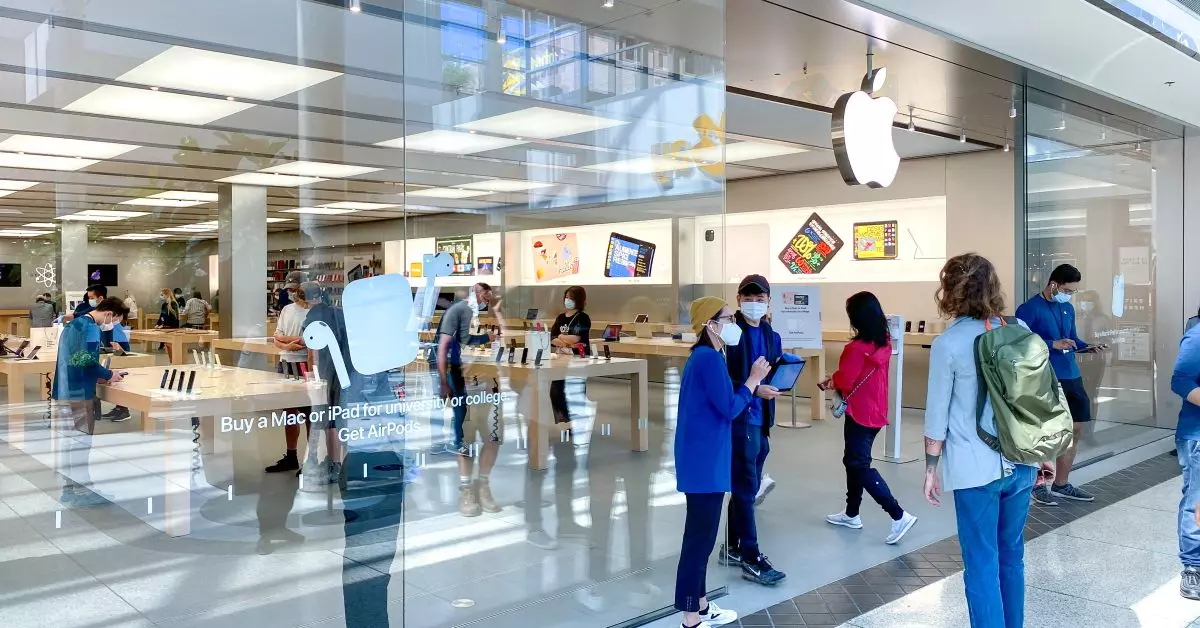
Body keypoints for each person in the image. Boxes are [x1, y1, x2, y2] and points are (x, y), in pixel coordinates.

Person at [923, 253, 1037, 628]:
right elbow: (1038, 398)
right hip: (1022, 462)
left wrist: (930, 468)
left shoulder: (949, 343)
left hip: (976, 469)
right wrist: (1044, 453)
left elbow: (937, 416)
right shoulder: (1019, 329)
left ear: (949, 290)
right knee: (1011, 556)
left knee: (982, 562)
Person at [673, 296, 770, 628]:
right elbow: (730, 407)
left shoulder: (706, 358)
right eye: (728, 318)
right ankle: (690, 618)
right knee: (698, 543)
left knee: (701, 538)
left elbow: (723, 400)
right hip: (704, 464)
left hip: (703, 459)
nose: (733, 323)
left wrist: (752, 388)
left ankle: (700, 606)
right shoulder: (708, 360)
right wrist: (753, 379)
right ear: (709, 324)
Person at [822, 292, 918, 543]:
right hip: (876, 411)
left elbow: (845, 380)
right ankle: (852, 513)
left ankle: (898, 515)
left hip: (858, 413)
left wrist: (832, 380)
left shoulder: (855, 349)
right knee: (853, 460)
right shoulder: (883, 343)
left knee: (858, 464)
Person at [1015, 264, 1108, 505]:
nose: (1070, 295)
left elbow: (1072, 339)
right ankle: (1039, 484)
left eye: (1074, 292)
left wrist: (1087, 346)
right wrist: (1051, 344)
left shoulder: (1067, 307)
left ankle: (1061, 483)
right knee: (1045, 432)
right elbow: (1019, 344)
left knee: (1075, 429)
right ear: (1053, 284)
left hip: (1070, 374)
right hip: (1044, 376)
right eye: (1067, 289)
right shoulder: (1028, 309)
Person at [719, 274, 786, 586]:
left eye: (760, 299)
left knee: (747, 486)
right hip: (741, 419)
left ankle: (732, 547)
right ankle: (750, 557)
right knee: (746, 489)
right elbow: (720, 381)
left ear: (768, 301)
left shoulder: (772, 335)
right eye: (749, 298)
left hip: (762, 422)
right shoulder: (731, 333)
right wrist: (752, 388)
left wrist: (780, 382)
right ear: (738, 299)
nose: (755, 304)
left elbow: (773, 370)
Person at [51, 297, 128, 507]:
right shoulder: (92, 328)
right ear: (110, 314)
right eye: (116, 320)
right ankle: (82, 491)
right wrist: (108, 373)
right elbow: (85, 360)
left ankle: (70, 489)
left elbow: (75, 358)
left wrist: (101, 375)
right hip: (79, 392)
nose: (112, 325)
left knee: (70, 442)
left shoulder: (74, 323)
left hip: (64, 389)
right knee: (81, 442)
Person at [432, 283, 498, 514]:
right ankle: (466, 487)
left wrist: (497, 315)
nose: (487, 302)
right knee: (465, 437)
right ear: (476, 294)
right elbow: (443, 347)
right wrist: (443, 381)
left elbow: (483, 342)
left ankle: (483, 483)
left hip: (486, 382)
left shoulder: (481, 316)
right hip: (461, 383)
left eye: (490, 299)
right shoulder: (457, 312)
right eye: (486, 297)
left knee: (492, 436)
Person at [264, 283, 313, 474]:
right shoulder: (287, 309)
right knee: (289, 412)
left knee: (310, 414)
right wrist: (287, 345)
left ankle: (312, 459)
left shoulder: (314, 313)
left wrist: (286, 341)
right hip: (286, 363)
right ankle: (291, 455)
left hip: (305, 365)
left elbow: (306, 341)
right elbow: (276, 336)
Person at [1172, 320, 1200, 599]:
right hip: (1197, 436)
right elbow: (1180, 381)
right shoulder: (1197, 336)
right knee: (1197, 501)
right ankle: (1193, 566)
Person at [549, 286, 591, 421]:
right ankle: (567, 419)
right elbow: (552, 337)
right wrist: (565, 340)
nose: (568, 300)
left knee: (575, 391)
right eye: (566, 297)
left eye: (571, 298)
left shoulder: (583, 318)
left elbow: (577, 338)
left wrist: (562, 338)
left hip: (578, 358)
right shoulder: (560, 317)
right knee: (556, 391)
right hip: (560, 358)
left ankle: (578, 421)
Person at [1075, 290, 1112, 425]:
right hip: (1077, 361)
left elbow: (1110, 342)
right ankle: (1077, 429)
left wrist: (1097, 346)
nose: (1086, 303)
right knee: (1077, 396)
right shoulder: (1075, 318)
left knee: (1090, 395)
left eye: (1089, 300)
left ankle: (1089, 430)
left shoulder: (1103, 320)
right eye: (1083, 300)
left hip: (1095, 362)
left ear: (1095, 303)